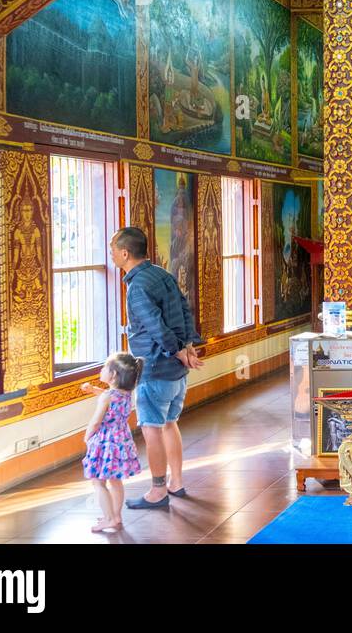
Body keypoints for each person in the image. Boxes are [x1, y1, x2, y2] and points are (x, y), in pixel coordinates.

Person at [109, 226, 203, 509]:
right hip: (176, 370)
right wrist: (186, 346)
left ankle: (158, 490)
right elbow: (185, 310)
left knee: (151, 428)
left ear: (125, 253)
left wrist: (177, 350)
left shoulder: (137, 287)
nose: (111, 254)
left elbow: (154, 326)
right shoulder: (163, 274)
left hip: (155, 367)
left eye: (113, 249)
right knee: (169, 424)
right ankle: (177, 481)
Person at [81, 353, 144, 532]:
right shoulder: (125, 393)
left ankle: (108, 518)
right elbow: (110, 397)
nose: (101, 371)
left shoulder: (107, 397)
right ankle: (116, 516)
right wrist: (94, 390)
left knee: (98, 481)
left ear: (114, 375)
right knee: (115, 481)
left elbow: (96, 421)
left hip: (105, 442)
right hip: (121, 441)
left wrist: (87, 436)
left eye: (104, 368)